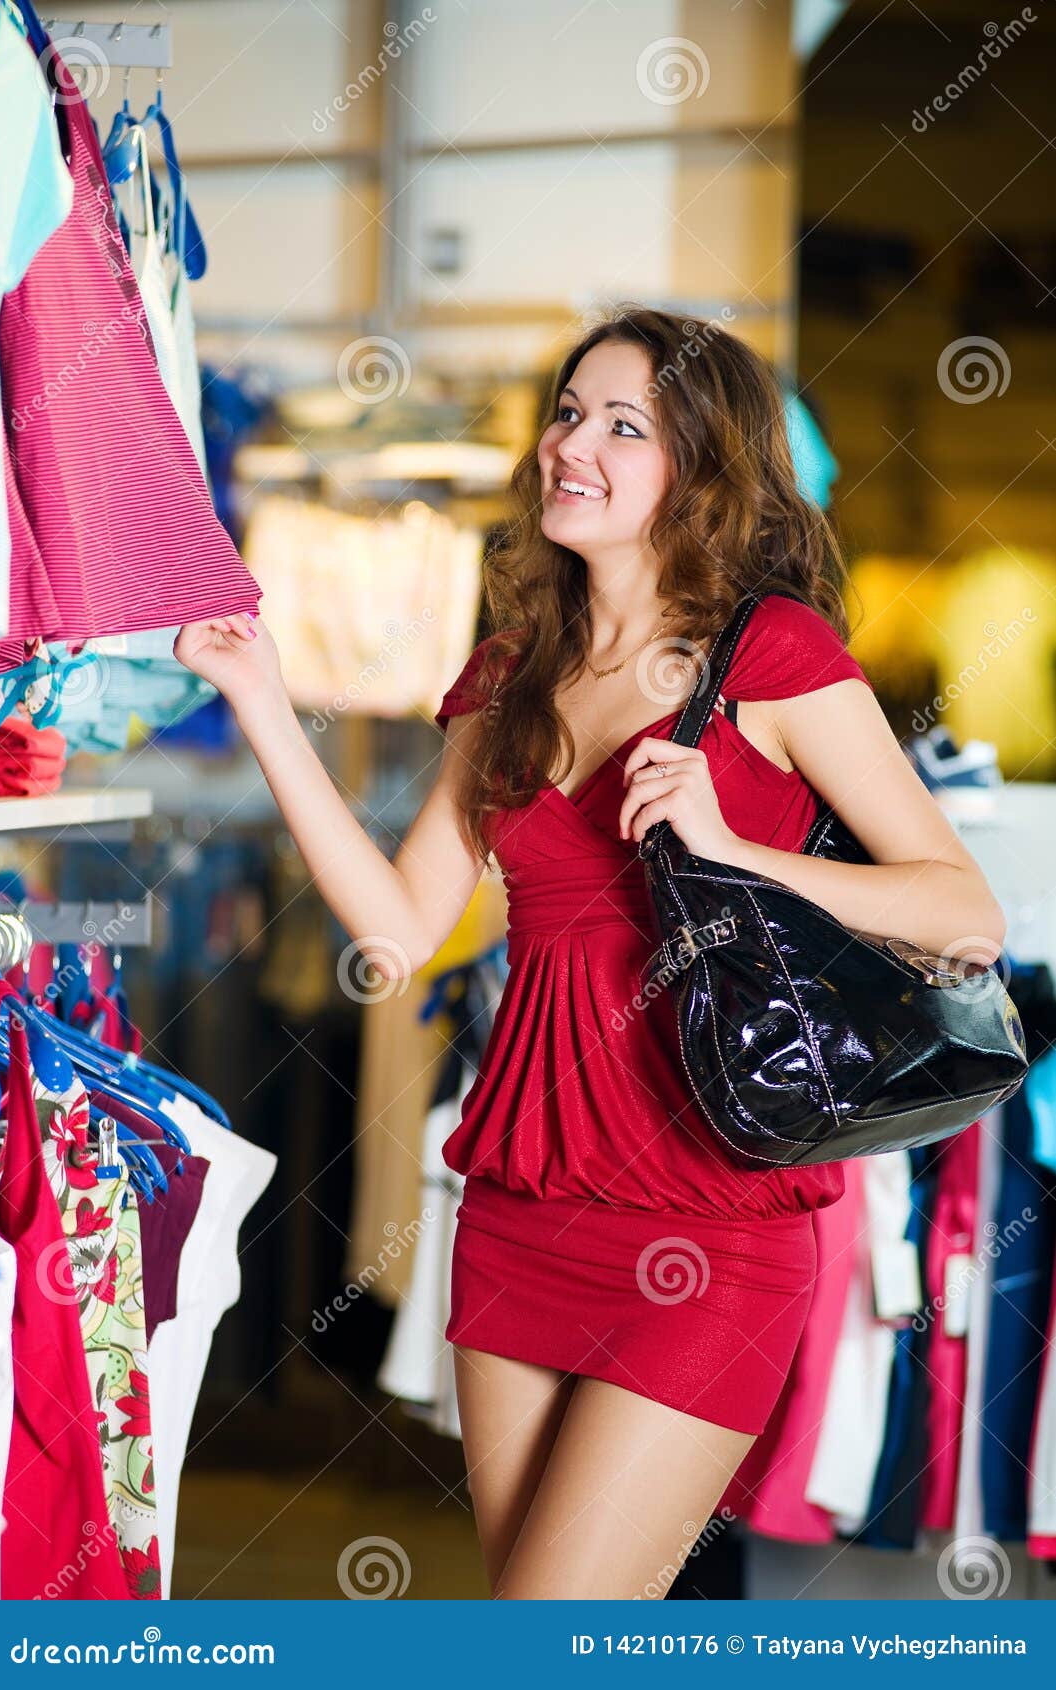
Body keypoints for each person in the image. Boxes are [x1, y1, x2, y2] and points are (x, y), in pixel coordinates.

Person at [175, 306, 1006, 1600]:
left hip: (710, 1230)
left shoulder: (771, 657)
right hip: (518, 1210)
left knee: (543, 1628)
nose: (576, 442)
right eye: (570, 411)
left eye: (625, 424)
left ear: (701, 471)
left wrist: (739, 848)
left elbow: (964, 912)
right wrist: (267, 707)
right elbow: (396, 934)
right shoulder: (506, 673)